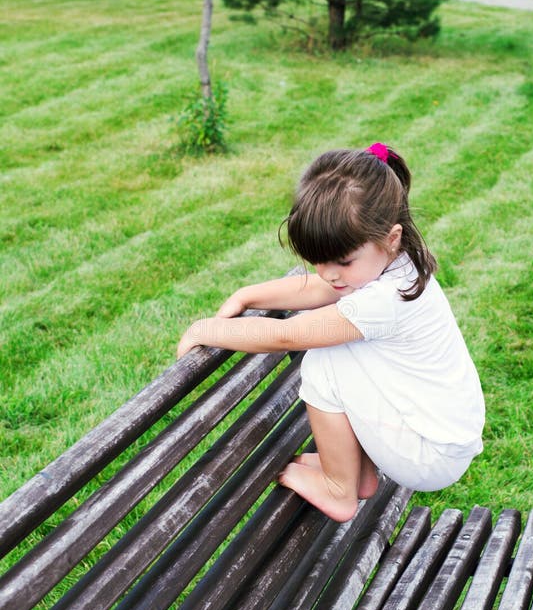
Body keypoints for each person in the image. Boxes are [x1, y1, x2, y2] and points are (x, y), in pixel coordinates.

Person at [177, 143, 485, 523]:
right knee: (336, 347)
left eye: (341, 261)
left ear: (391, 237)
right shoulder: (393, 265)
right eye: (318, 261)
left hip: (426, 453)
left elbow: (287, 335)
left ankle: (340, 489)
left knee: (324, 360)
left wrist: (207, 329)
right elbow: (322, 288)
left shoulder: (383, 301)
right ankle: (358, 473)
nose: (328, 274)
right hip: (439, 438)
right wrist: (247, 294)